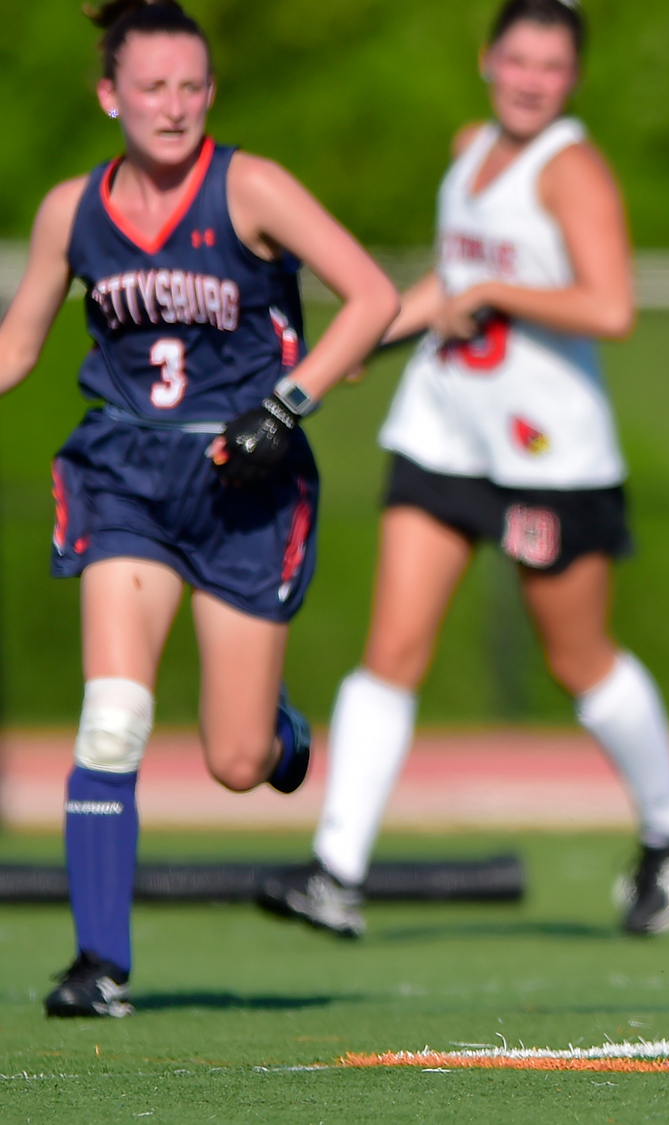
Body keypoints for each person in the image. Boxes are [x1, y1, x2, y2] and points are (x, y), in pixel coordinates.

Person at [254, 0, 669, 942]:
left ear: (573, 78)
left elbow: (611, 304)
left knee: (576, 659)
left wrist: (499, 290)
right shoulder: (472, 147)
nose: (530, 79)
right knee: (393, 649)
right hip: (441, 432)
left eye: (551, 65)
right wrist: (354, 348)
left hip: (549, 455)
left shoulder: (574, 170)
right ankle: (334, 870)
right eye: (517, 59)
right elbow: (446, 281)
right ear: (487, 59)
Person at [0, 0, 399, 1017]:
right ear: (110, 96)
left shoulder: (249, 187)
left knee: (233, 760)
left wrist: (286, 404)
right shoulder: (70, 211)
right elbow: (17, 345)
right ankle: (99, 964)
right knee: (114, 715)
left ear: (208, 93)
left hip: (243, 480)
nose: (171, 108)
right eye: (150, 89)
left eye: (189, 88)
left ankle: (279, 737)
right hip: (123, 472)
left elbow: (371, 297)